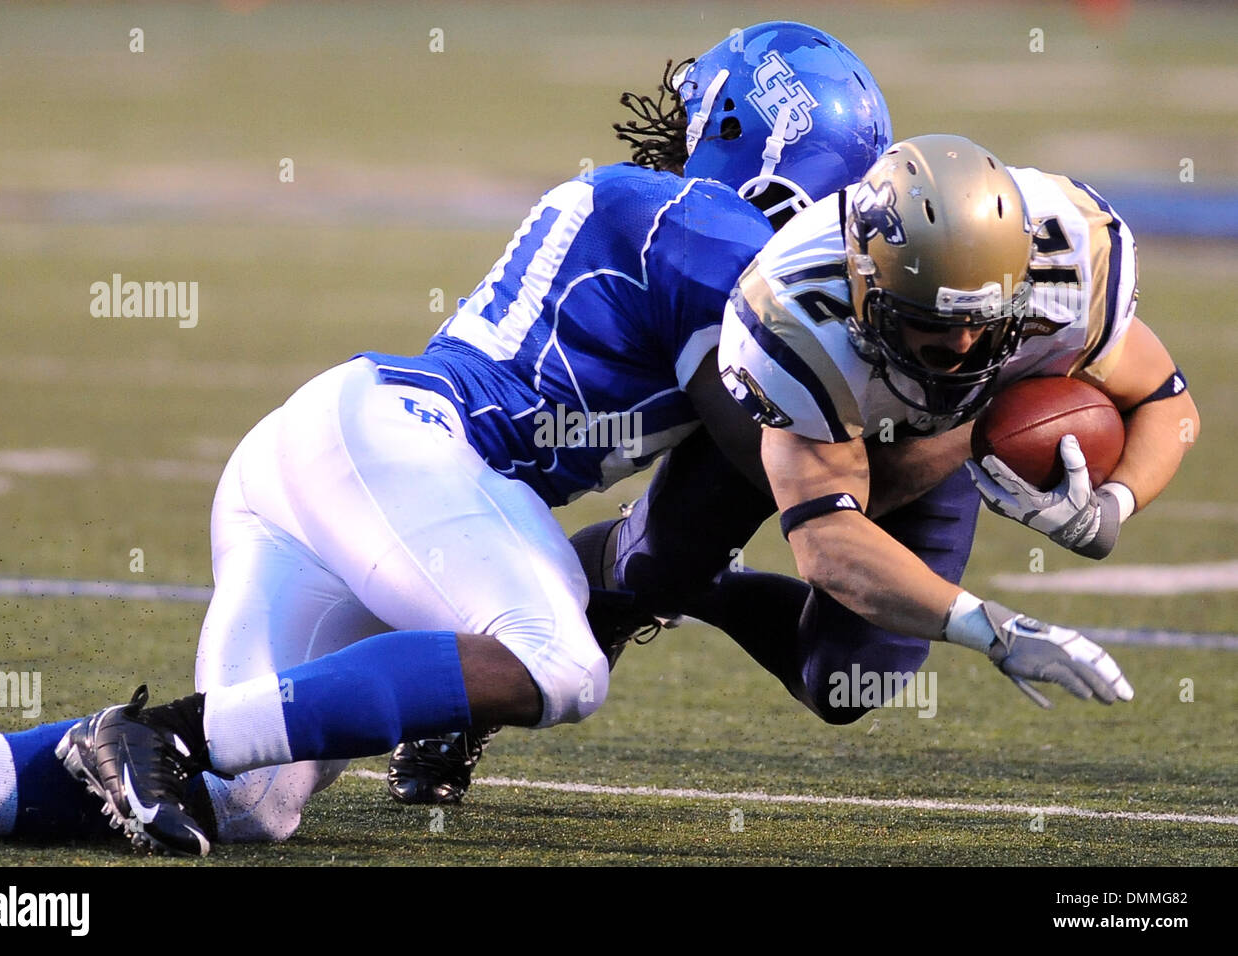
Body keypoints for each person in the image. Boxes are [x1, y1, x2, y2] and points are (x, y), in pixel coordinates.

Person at [0, 21, 895, 855]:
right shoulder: (699, 227)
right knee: (557, 660)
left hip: (348, 470)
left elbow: (713, 509)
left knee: (248, 801)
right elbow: (782, 455)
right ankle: (153, 730)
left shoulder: (686, 235)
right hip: (405, 450)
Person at [396, 133, 1199, 805]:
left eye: (981, 326)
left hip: (943, 442)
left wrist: (1116, 505)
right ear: (867, 286)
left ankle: (703, 592)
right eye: (930, 326)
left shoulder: (1071, 265)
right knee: (652, 569)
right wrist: (995, 627)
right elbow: (829, 542)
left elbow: (1165, 398)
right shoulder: (789, 316)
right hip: (811, 417)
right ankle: (505, 665)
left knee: (845, 682)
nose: (960, 349)